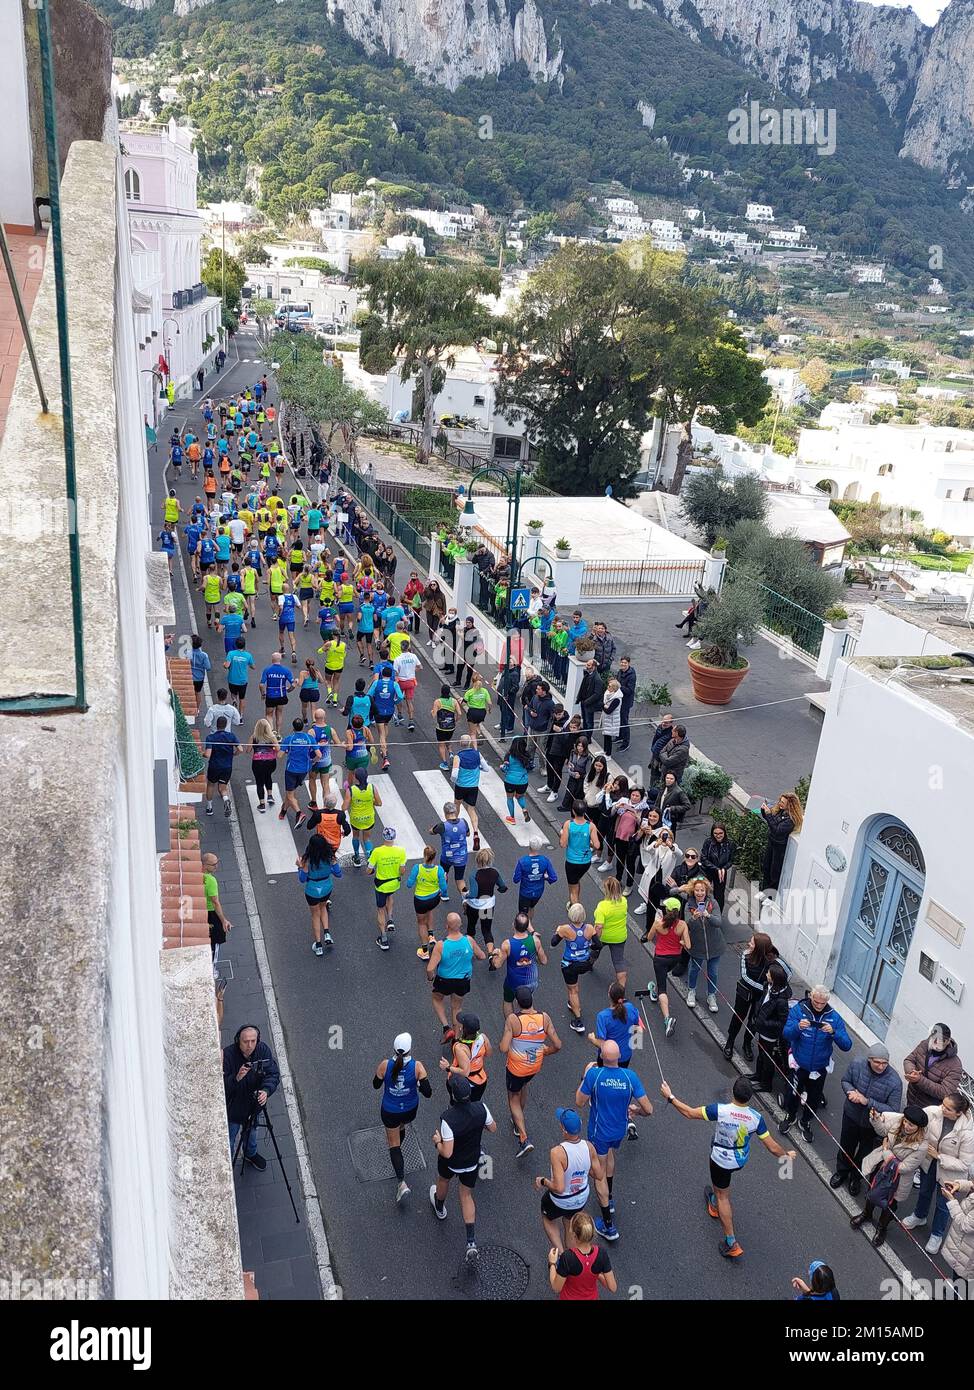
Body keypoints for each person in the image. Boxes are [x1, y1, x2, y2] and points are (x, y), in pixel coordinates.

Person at [661, 1075, 796, 1260]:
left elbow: (689, 1113)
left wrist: (670, 1097)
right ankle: (715, 1202)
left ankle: (731, 1241)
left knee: (723, 1195)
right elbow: (772, 1147)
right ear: (750, 1097)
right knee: (722, 1185)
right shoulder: (756, 1119)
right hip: (739, 1160)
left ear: (733, 1092)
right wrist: (786, 1155)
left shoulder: (720, 1110)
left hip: (720, 1159)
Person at [575, 1040, 653, 1241]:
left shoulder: (594, 1074)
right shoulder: (630, 1076)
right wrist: (636, 1110)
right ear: (619, 1057)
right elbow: (649, 1109)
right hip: (618, 1132)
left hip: (599, 1132)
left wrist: (584, 1075)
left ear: (601, 1056)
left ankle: (608, 1226)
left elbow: (579, 1102)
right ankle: (609, 1198)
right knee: (609, 1156)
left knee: (598, 1174)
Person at [430, 1073, 497, 1263]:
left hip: (452, 1162)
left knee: (443, 1180)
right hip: (472, 1161)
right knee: (466, 1195)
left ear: (452, 1095)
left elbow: (447, 1152)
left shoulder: (448, 1119)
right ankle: (471, 1242)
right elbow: (493, 1128)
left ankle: (440, 1207)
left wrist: (437, 1142)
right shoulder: (481, 1108)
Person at [902, 1093, 974, 1255]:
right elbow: (914, 1119)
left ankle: (937, 1234)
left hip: (950, 1174)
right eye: (942, 1104)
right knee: (924, 1192)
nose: (942, 1109)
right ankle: (919, 1216)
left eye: (947, 1108)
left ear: (958, 1113)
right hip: (929, 1163)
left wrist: (939, 1156)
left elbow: (964, 1164)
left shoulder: (968, 1134)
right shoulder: (933, 1112)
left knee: (944, 1205)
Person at [780, 986, 853, 1144]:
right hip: (799, 1064)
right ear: (811, 997)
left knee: (813, 1098)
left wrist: (834, 1032)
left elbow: (847, 1045)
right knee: (793, 1094)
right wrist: (798, 1027)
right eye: (815, 1001)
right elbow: (786, 1033)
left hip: (819, 1068)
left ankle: (805, 1121)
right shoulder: (799, 1010)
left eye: (822, 1003)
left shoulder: (834, 1017)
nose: (819, 1005)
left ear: (827, 1001)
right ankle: (790, 1116)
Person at [829, 1044, 904, 1196]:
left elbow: (894, 1109)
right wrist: (850, 1092)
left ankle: (855, 1177)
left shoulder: (895, 1082)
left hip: (873, 1126)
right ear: (869, 1059)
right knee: (846, 1145)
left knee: (864, 1153)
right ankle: (842, 1172)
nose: (881, 1066)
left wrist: (867, 1101)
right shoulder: (857, 1064)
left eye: (885, 1063)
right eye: (877, 1062)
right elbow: (845, 1081)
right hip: (851, 1115)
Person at [853, 1105, 929, 1248]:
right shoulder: (897, 1122)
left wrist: (887, 1152)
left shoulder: (922, 1145)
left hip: (898, 1178)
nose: (906, 1125)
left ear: (919, 1128)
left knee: (890, 1203)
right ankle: (867, 1214)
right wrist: (875, 1119)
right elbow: (882, 1131)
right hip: (881, 1167)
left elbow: (905, 1167)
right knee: (872, 1191)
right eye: (905, 1121)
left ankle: (882, 1228)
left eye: (911, 1125)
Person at [499, 985, 562, 1159]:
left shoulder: (513, 1019)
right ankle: (517, 1121)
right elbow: (557, 1045)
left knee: (513, 1097)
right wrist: (545, 1051)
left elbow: (503, 1047)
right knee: (524, 1086)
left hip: (516, 1068)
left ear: (518, 1003)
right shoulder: (545, 1017)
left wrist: (509, 1036)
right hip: (534, 1066)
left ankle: (524, 1138)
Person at [373, 1033, 433, 1204]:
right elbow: (428, 1093)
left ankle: (401, 1183)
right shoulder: (418, 1067)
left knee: (393, 1143)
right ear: (409, 1050)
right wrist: (419, 1085)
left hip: (390, 1110)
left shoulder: (385, 1065)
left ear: (394, 1049)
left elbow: (375, 1085)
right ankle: (397, 1149)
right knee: (401, 1128)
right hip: (409, 1110)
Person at [536, 1109, 605, 1254]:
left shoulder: (557, 1152)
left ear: (564, 1130)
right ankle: (571, 1255)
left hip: (561, 1200)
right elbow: (598, 1175)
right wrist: (583, 1168)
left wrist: (543, 1181)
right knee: (569, 1224)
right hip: (580, 1198)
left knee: (548, 1218)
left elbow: (559, 1187)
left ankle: (561, 1253)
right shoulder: (589, 1147)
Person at [223, 1025, 281, 1171]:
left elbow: (272, 1074)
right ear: (238, 1040)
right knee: (229, 1138)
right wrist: (236, 1078)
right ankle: (227, 1165)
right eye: (245, 1041)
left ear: (258, 1040)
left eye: (253, 1041)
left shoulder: (263, 1051)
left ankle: (250, 1153)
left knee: (252, 1131)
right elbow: (220, 1086)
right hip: (233, 1107)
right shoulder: (228, 1056)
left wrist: (266, 1091)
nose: (249, 1045)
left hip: (253, 1105)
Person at [427, 912, 487, 1041]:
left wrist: (431, 977)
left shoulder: (441, 945)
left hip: (444, 980)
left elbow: (430, 968)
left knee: (437, 998)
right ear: (460, 925)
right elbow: (482, 956)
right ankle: (457, 1037)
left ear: (446, 926)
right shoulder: (468, 940)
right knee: (457, 1007)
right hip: (463, 981)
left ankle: (446, 1027)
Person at [723, 932, 778, 1062]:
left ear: (760, 947)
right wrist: (765, 990)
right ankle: (730, 1041)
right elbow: (745, 977)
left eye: (752, 942)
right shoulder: (746, 955)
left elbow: (787, 972)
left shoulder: (773, 960)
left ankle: (747, 1043)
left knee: (754, 1021)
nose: (749, 944)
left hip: (760, 997)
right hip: (745, 992)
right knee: (738, 1017)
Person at [746, 960, 793, 1097]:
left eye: (768, 973)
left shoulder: (781, 1001)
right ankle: (757, 1075)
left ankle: (766, 1084)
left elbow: (782, 1022)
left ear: (774, 978)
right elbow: (762, 1002)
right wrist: (757, 1015)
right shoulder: (768, 986)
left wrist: (764, 1023)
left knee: (768, 1060)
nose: (766, 974)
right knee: (761, 1056)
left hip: (770, 1035)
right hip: (762, 1031)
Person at [645, 900, 690, 1039]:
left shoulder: (658, 923)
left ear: (665, 910)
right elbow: (688, 945)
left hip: (660, 959)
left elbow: (648, 937)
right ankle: (655, 991)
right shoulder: (682, 925)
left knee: (663, 990)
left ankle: (667, 1019)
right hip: (675, 958)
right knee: (662, 977)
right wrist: (681, 941)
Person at [547, 1212, 617, 1301]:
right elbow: (612, 1287)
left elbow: (556, 1287)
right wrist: (597, 1274)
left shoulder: (568, 1257)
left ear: (574, 1235)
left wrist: (552, 1263)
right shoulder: (601, 1254)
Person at [552, 904, 599, 1035]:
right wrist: (587, 946)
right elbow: (598, 945)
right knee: (574, 987)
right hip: (585, 963)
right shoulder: (589, 928)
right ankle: (572, 1003)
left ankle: (578, 1021)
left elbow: (553, 943)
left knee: (572, 990)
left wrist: (557, 932)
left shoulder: (565, 929)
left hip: (570, 964)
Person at [297, 833, 342, 956]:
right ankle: (327, 933)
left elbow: (302, 879)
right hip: (327, 888)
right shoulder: (330, 857)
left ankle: (318, 945)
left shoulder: (307, 860)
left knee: (315, 915)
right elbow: (339, 874)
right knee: (323, 908)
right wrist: (330, 869)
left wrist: (299, 867)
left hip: (312, 890)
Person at [683, 877, 724, 1013]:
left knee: (713, 972)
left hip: (715, 946)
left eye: (702, 890)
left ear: (706, 891)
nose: (700, 893)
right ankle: (691, 991)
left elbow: (718, 922)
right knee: (694, 969)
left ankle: (711, 995)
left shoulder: (713, 903)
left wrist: (708, 915)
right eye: (697, 890)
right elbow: (687, 926)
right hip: (697, 946)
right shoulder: (689, 905)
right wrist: (694, 918)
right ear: (692, 891)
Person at [903, 1023, 965, 1108]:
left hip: (930, 1108)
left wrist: (919, 1080)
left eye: (941, 1040)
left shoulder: (955, 1065)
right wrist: (911, 1072)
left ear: (948, 1041)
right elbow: (909, 1060)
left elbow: (945, 1092)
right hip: (911, 1097)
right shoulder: (924, 1044)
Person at [368, 825, 407, 951]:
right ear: (394, 837)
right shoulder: (401, 851)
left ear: (383, 837)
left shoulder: (377, 851)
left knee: (380, 909)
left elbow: (369, 870)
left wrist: (370, 870)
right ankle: (390, 919)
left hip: (381, 885)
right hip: (394, 883)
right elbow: (402, 871)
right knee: (390, 896)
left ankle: (383, 938)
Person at [463, 846, 506, 959]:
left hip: (474, 906)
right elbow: (502, 886)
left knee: (471, 928)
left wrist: (465, 895)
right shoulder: (495, 872)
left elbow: (473, 893)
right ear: (490, 859)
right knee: (486, 930)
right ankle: (491, 954)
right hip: (488, 906)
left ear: (478, 860)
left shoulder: (474, 874)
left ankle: (469, 951)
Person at [408, 846, 449, 960]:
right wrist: (444, 880)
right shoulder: (439, 870)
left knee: (421, 923)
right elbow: (444, 889)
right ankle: (431, 936)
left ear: (424, 855)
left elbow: (409, 884)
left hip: (420, 900)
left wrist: (418, 879)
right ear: (434, 857)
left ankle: (425, 951)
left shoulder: (417, 868)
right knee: (430, 911)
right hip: (434, 899)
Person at [440, 1012, 492, 1101]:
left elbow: (465, 1072)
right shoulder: (483, 1037)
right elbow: (488, 1053)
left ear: (463, 1028)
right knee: (473, 1107)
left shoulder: (460, 1047)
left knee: (458, 1107)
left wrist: (448, 1067)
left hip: (463, 1084)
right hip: (481, 1081)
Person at [759, 793, 803, 895]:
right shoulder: (780, 812)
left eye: (783, 802)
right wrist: (764, 811)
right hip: (772, 842)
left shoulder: (791, 820)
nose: (780, 803)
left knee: (774, 873)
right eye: (780, 801)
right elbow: (771, 822)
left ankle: (770, 895)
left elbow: (777, 830)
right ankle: (764, 891)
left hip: (779, 848)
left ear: (790, 805)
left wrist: (769, 814)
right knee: (766, 867)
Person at [279, 717, 318, 826]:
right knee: (290, 792)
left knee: (290, 794)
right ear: (302, 727)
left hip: (291, 770)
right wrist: (312, 762)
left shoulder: (289, 739)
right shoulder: (309, 738)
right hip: (304, 770)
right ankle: (283, 811)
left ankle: (299, 813)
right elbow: (319, 755)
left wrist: (282, 748)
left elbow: (279, 755)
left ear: (293, 728)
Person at [560, 800, 600, 907]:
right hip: (586, 862)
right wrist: (588, 842)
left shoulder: (568, 824)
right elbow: (597, 846)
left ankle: (575, 910)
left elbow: (563, 844)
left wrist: (563, 835)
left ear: (573, 811)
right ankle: (575, 902)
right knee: (576, 881)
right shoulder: (591, 826)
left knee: (572, 888)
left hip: (572, 861)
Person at [450, 736, 487, 850]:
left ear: (461, 743)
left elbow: (455, 774)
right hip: (473, 787)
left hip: (461, 786)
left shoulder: (458, 756)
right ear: (470, 742)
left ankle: (454, 829)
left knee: (457, 805)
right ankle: (475, 832)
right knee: (471, 809)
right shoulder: (477, 754)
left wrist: (454, 781)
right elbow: (486, 768)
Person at [430, 801, 472, 899]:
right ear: (456, 811)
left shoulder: (442, 826)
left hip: (447, 857)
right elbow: (468, 834)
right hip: (462, 857)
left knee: (444, 873)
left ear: (445, 813)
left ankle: (444, 895)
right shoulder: (463, 822)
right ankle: (465, 898)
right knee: (460, 879)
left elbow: (431, 831)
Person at [592, 877, 629, 989]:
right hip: (619, 937)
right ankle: (621, 987)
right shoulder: (624, 901)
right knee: (618, 961)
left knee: (594, 951)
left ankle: (589, 964)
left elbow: (599, 927)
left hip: (604, 937)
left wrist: (596, 941)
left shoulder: (602, 906)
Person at [941, 1178, 974, 1295]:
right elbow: (972, 1185)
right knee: (959, 1273)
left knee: (962, 1276)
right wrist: (959, 1185)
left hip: (968, 1253)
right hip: (966, 1249)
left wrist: (951, 1200)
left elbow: (965, 1225)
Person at [367, 664, 403, 771]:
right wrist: (394, 701)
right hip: (390, 711)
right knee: (386, 726)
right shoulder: (395, 684)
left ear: (382, 674)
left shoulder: (377, 683)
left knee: (381, 734)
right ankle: (384, 746)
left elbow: (369, 695)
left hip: (379, 710)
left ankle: (385, 756)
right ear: (391, 674)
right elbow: (400, 697)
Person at [344, 765, 381, 866]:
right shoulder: (372, 788)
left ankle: (356, 858)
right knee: (367, 838)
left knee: (355, 836)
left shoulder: (351, 790)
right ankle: (370, 857)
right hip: (368, 818)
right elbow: (379, 803)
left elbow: (344, 807)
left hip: (356, 819)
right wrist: (370, 801)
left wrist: (352, 800)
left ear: (355, 777)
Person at [203, 715, 239, 818]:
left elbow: (207, 754)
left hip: (214, 766)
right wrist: (233, 754)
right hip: (227, 766)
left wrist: (201, 753)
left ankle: (209, 808)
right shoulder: (231, 736)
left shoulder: (210, 737)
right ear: (226, 725)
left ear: (216, 725)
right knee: (222, 787)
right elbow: (240, 749)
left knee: (210, 785)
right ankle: (226, 799)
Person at [203, 852, 233, 967]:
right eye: (213, 864)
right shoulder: (211, 881)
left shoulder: (197, 875)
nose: (216, 866)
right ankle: (212, 967)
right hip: (211, 913)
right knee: (215, 941)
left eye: (217, 863)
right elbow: (215, 902)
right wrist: (223, 920)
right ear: (205, 865)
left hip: (200, 911)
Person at [700, 822, 736, 911]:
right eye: (715, 833)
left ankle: (718, 914)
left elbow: (731, 860)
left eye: (720, 833)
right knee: (702, 892)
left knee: (719, 895)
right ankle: (700, 911)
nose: (718, 836)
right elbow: (703, 858)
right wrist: (716, 869)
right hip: (708, 870)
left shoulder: (730, 844)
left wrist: (723, 868)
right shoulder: (708, 842)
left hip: (721, 873)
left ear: (724, 833)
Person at [259, 652, 295, 734]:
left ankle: (271, 732)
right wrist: (289, 689)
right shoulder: (286, 670)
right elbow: (293, 684)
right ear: (280, 659)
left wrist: (263, 694)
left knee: (269, 715)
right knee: (279, 714)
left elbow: (261, 685)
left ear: (272, 659)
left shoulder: (267, 670)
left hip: (271, 696)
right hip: (281, 696)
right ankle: (278, 733)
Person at [500, 736, 532, 824]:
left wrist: (501, 767)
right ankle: (524, 809)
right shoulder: (527, 755)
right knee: (520, 796)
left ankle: (512, 818)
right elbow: (530, 767)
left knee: (510, 798)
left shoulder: (509, 755)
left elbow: (505, 769)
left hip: (510, 781)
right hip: (523, 781)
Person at [250, 718, 280, 812]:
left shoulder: (254, 737)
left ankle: (262, 804)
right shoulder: (271, 737)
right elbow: (278, 749)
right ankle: (270, 795)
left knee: (259, 782)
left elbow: (248, 750)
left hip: (258, 763)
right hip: (271, 762)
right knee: (268, 776)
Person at [577, 660, 606, 740]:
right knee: (585, 720)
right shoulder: (588, 674)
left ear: (593, 667)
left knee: (589, 722)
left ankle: (588, 738)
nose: (586, 666)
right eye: (587, 664)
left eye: (589, 665)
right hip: (584, 701)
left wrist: (587, 701)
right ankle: (585, 735)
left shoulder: (597, 679)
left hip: (589, 704)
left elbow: (597, 694)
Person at [616, 656, 636, 753]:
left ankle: (626, 742)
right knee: (619, 720)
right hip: (620, 699)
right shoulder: (620, 672)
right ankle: (620, 736)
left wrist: (620, 687)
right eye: (622, 662)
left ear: (628, 663)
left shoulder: (631, 675)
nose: (623, 664)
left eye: (625, 663)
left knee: (624, 722)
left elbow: (630, 690)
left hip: (626, 702)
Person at [600, 678, 624, 757]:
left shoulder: (617, 699)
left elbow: (609, 711)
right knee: (605, 736)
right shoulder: (608, 693)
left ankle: (608, 754)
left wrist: (603, 706)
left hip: (612, 721)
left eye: (610, 686)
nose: (608, 687)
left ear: (614, 688)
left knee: (608, 737)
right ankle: (605, 751)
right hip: (607, 719)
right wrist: (605, 706)